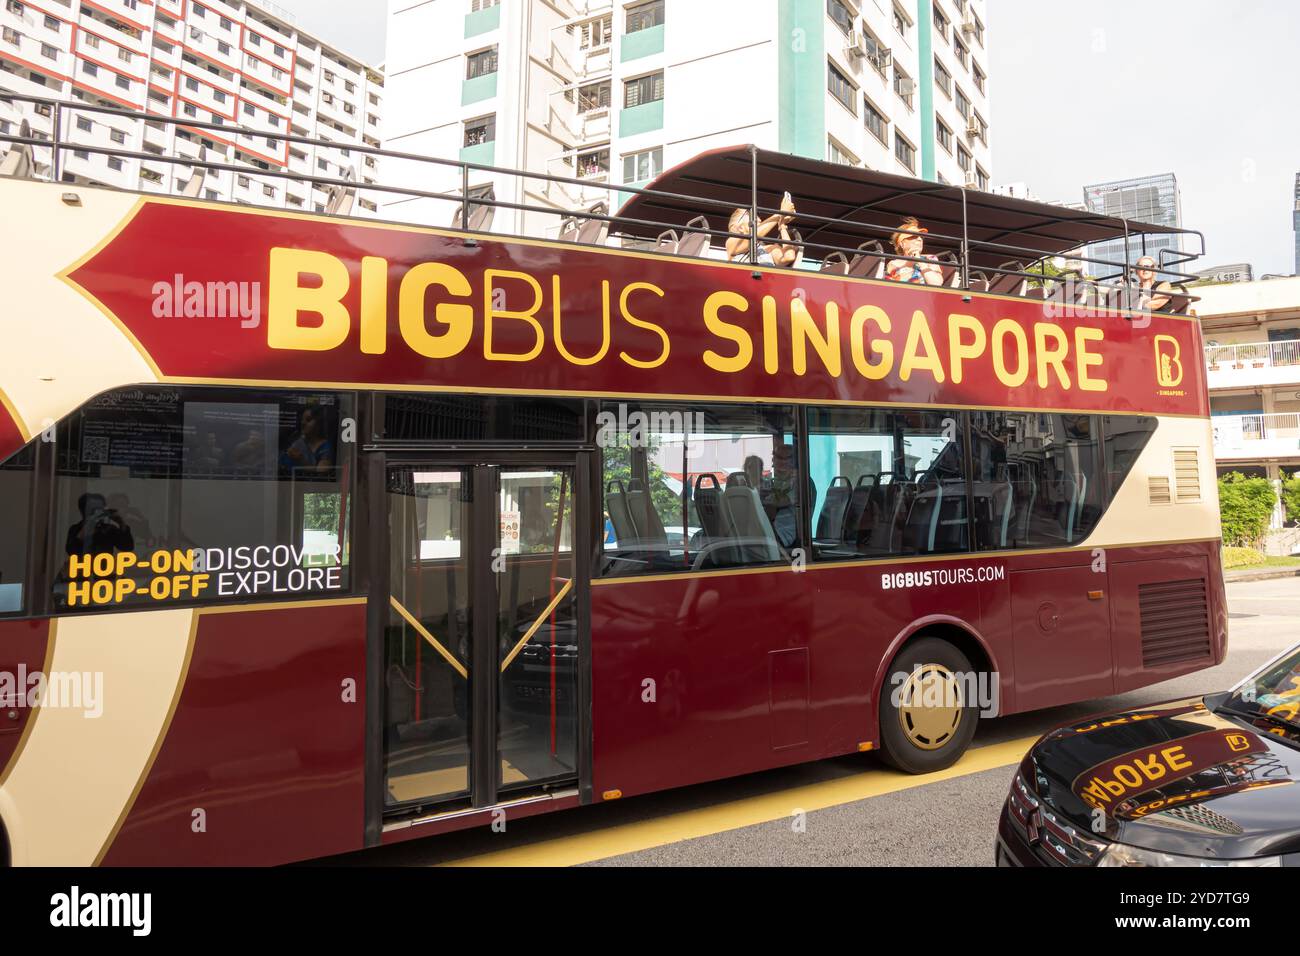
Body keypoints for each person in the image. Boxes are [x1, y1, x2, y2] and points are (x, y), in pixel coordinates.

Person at [725, 192, 799, 267]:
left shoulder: (768, 248)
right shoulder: (731, 242)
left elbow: (789, 257)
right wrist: (781, 213)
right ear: (740, 228)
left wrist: (782, 225)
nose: (759, 219)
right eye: (752, 216)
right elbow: (755, 235)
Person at [66, 492, 135, 559]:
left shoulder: (108, 529)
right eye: (94, 509)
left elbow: (127, 547)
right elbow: (72, 551)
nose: (100, 512)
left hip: (104, 570)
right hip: (82, 569)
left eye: (101, 508)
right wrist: (89, 524)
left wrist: (121, 523)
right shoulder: (76, 529)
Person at [885, 217, 944, 285]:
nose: (919, 239)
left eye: (920, 237)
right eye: (914, 236)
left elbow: (936, 284)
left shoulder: (930, 258)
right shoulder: (893, 263)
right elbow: (889, 289)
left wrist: (919, 260)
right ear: (902, 243)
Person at [281, 403, 336, 475]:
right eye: (302, 420)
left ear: (319, 424)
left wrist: (301, 460)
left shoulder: (325, 447)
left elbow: (322, 473)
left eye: (308, 420)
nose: (303, 423)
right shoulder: (295, 441)